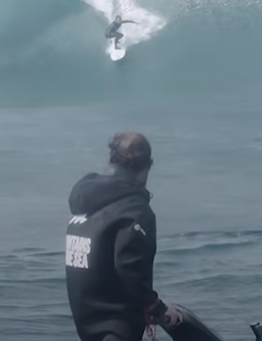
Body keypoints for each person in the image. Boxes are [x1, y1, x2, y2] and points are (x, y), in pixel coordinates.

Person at [65, 132, 182, 341]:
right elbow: (129, 267)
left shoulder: (86, 202)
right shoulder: (134, 211)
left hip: (86, 324)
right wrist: (158, 308)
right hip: (117, 329)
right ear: (146, 166)